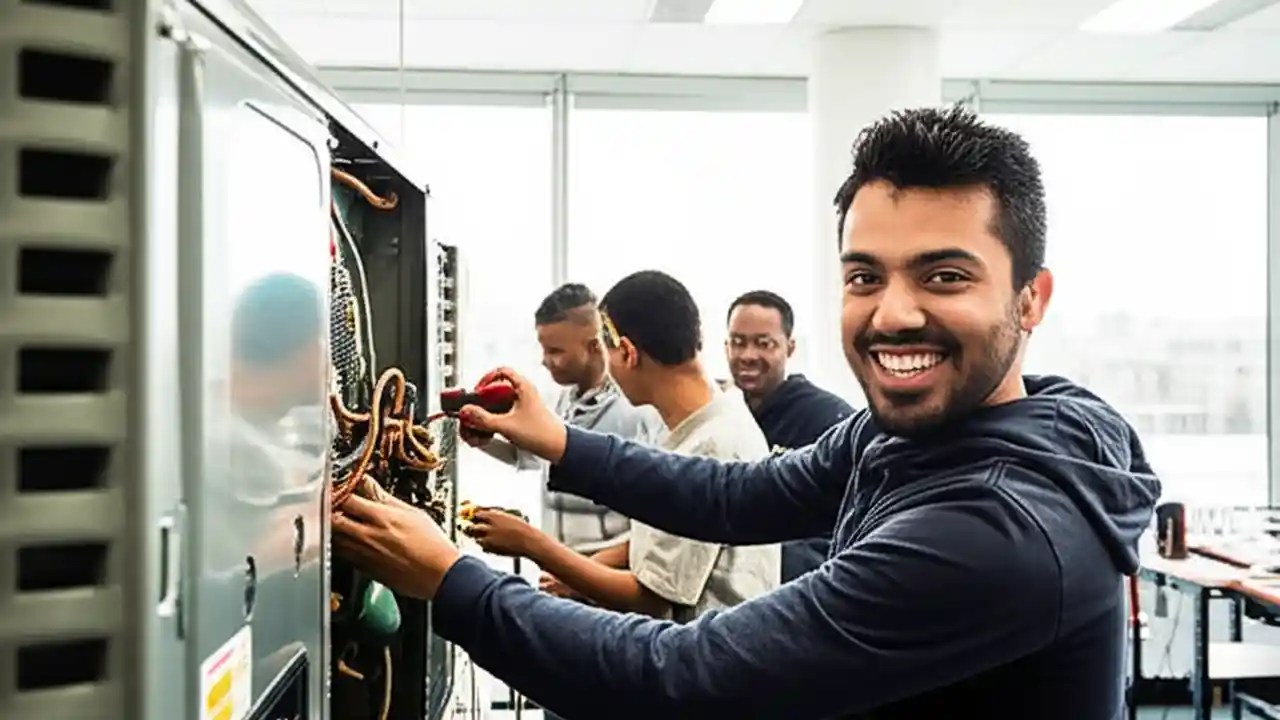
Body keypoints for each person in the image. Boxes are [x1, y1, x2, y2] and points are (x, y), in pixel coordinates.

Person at [332, 105, 1162, 719]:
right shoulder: (952, 424)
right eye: (865, 276)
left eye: (945, 276)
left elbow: (684, 678)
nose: (893, 314)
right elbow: (740, 496)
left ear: (1031, 298)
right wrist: (563, 445)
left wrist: (452, 580)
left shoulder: (995, 534)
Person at [464, 270, 780, 622]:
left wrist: (532, 545)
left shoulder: (714, 445)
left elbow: (653, 600)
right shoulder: (684, 428)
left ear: (628, 352)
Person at [471, 282, 662, 557]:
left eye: (555, 351)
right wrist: (484, 439)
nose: (545, 361)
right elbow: (531, 456)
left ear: (595, 346)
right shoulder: (562, 402)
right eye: (544, 350)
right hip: (561, 575)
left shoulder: (637, 412)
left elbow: (653, 530)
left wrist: (587, 572)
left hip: (605, 584)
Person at [725, 289, 854, 580]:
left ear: (789, 348)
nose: (748, 355)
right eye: (738, 342)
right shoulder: (726, 416)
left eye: (763, 344)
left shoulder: (829, 420)